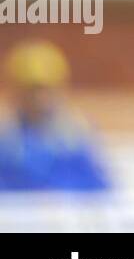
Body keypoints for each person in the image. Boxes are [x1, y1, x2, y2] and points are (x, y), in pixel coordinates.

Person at [0, 40, 111, 192]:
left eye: (46, 90)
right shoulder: (6, 140)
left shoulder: (74, 138)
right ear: (15, 92)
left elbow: (99, 188)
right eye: (31, 91)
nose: (40, 99)